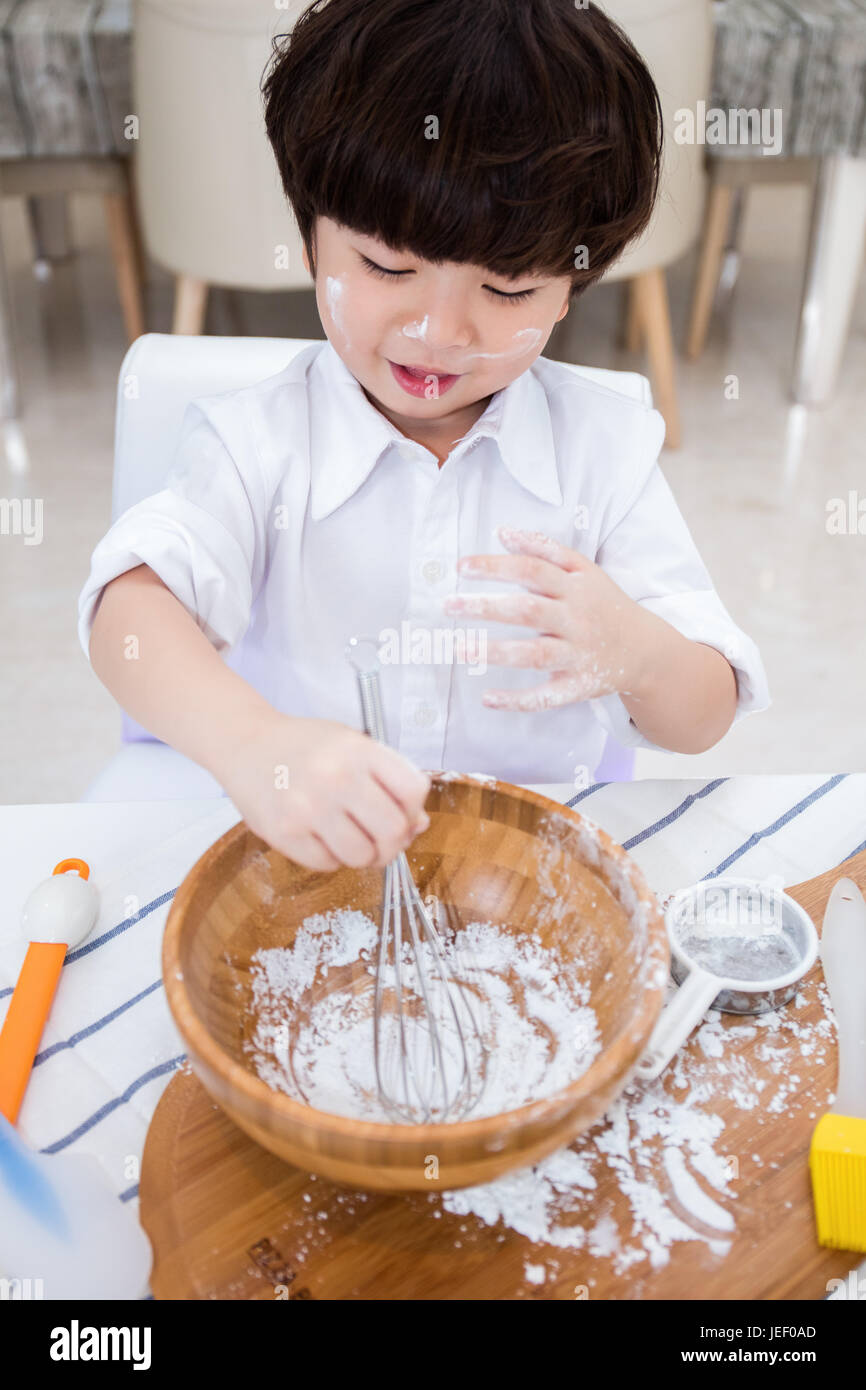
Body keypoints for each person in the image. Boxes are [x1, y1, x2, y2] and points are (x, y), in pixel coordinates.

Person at [78, 0, 770, 871]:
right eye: (386, 268)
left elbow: (703, 714)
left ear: (574, 286)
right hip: (301, 859)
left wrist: (634, 650)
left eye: (509, 291)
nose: (441, 331)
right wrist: (256, 746)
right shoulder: (258, 444)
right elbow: (127, 617)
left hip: (526, 872)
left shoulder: (604, 452)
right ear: (311, 240)